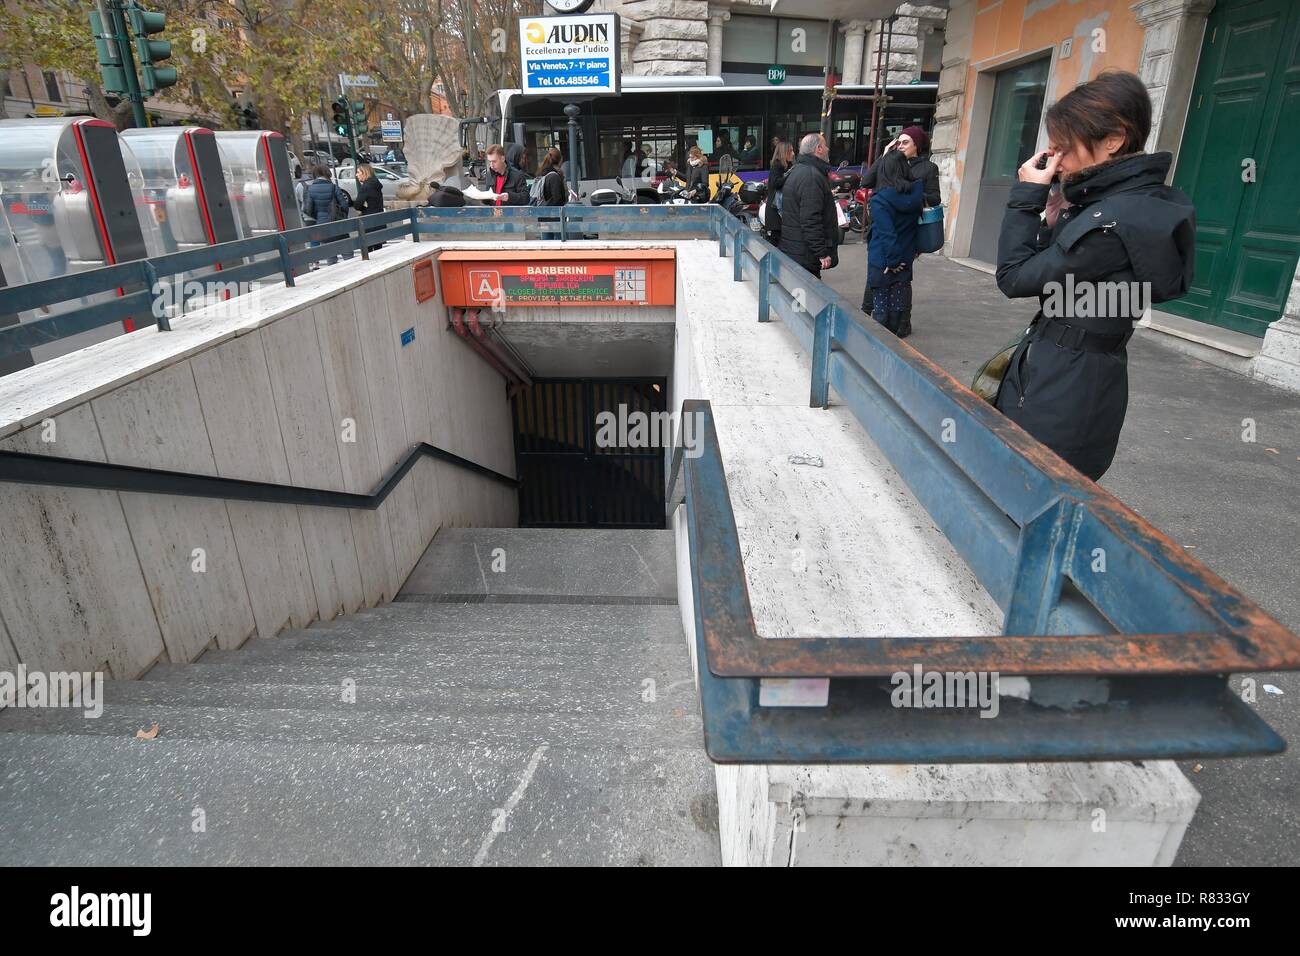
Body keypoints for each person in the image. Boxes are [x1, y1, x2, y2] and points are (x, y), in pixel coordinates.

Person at [994, 70, 1195, 482]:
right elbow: (1074, 287)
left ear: (1113, 140)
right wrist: (1055, 223)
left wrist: (1024, 200)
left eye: (1064, 149)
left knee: (1032, 491)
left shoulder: (1110, 221)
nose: (1058, 161)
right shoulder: (1124, 205)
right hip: (1073, 370)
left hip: (1065, 386)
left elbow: (1014, 278)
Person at [864, 150, 924, 337]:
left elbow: (886, 233)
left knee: (881, 311)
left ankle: (879, 351)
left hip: (884, 262)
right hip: (906, 259)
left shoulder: (880, 199)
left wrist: (892, 262)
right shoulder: (916, 195)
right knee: (898, 309)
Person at [778, 133, 839, 278]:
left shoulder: (799, 171)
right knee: (807, 297)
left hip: (796, 250)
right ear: (818, 149)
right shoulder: (811, 176)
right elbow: (810, 219)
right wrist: (822, 253)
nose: (828, 149)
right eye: (825, 146)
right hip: (805, 255)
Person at [862, 126, 940, 207]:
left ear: (916, 145)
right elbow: (866, 182)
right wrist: (884, 155)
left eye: (905, 142)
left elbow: (935, 199)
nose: (900, 146)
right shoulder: (890, 163)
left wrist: (910, 193)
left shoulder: (928, 167)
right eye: (898, 143)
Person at [301, 165, 352, 263]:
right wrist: (342, 216)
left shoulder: (310, 189)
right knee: (348, 255)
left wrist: (319, 216)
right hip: (339, 226)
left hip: (323, 226)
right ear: (327, 174)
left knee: (331, 257)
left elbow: (307, 210)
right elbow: (345, 206)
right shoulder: (334, 187)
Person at [764, 140, 794, 245]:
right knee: (776, 240)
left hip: (780, 208)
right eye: (790, 151)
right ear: (784, 152)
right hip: (775, 209)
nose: (793, 154)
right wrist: (788, 175)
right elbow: (776, 183)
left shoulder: (788, 165)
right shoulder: (777, 165)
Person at [353, 163, 384, 251]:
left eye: (358, 172)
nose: (356, 175)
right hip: (379, 218)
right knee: (379, 248)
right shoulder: (376, 183)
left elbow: (357, 206)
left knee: (368, 249)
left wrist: (363, 208)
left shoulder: (365, 187)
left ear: (364, 173)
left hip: (369, 220)